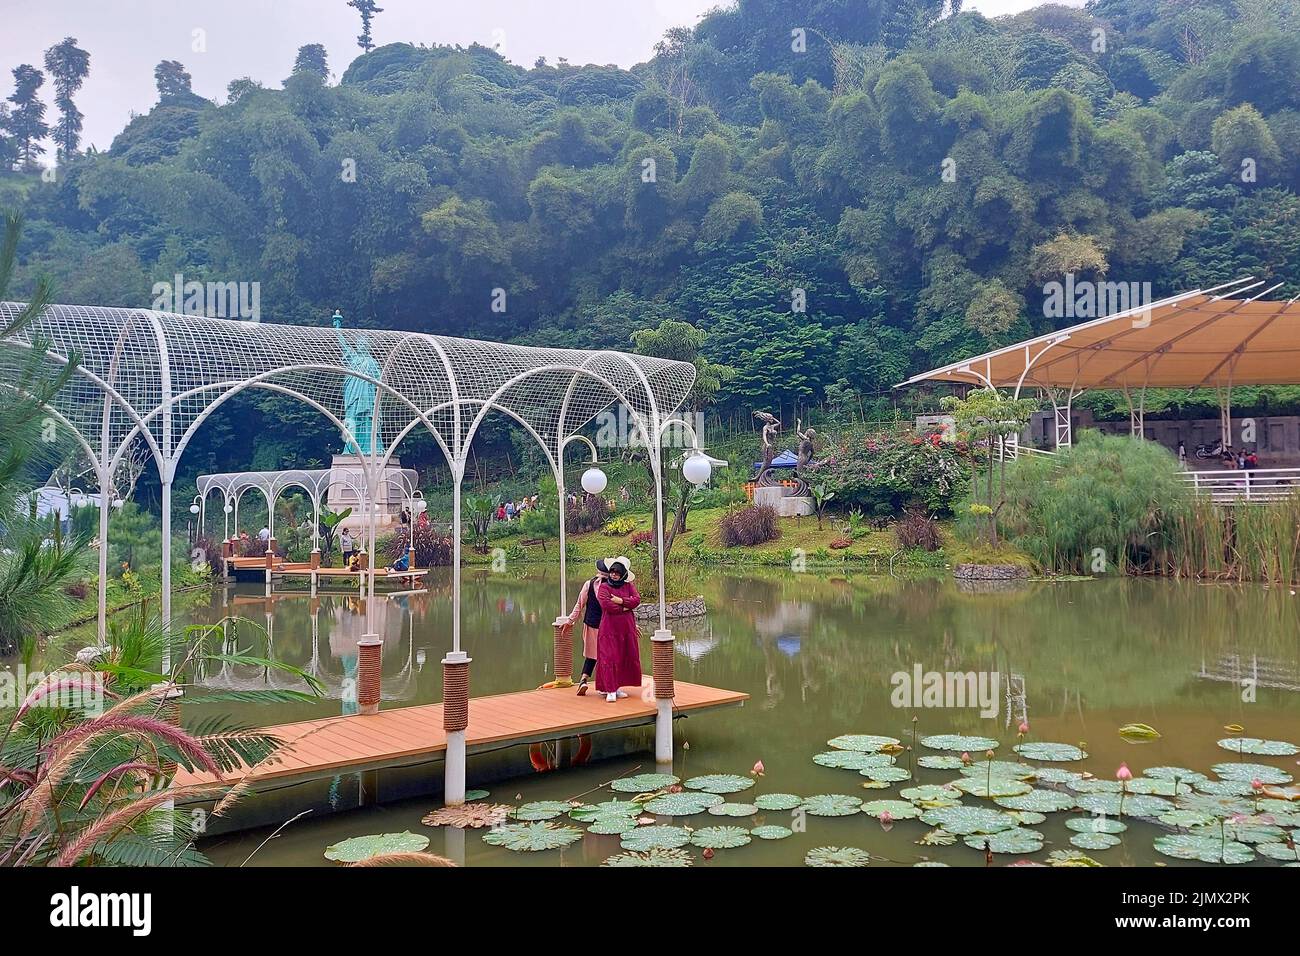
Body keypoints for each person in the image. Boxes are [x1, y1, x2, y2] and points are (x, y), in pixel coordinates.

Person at [594, 556, 643, 703]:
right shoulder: (604, 587)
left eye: (617, 572)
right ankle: (609, 689)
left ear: (623, 574)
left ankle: (617, 687)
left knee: (622, 656)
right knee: (609, 657)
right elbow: (606, 604)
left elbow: (637, 600)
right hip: (609, 629)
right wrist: (626, 607)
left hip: (626, 628)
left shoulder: (628, 586)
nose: (614, 574)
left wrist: (621, 601)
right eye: (612, 572)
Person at [566, 559, 610, 696]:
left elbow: (580, 604)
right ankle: (605, 685)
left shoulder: (588, 584)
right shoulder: (613, 586)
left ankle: (584, 680)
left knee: (592, 654)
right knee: (607, 655)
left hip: (591, 623)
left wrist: (570, 620)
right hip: (608, 626)